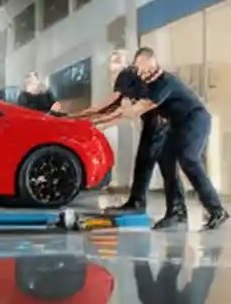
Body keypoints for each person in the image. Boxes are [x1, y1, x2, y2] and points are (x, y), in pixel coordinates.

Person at [70, 51, 187, 230]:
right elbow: (116, 108)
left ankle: (177, 211)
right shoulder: (124, 80)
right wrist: (84, 120)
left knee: (167, 165)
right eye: (112, 62)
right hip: (151, 120)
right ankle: (137, 202)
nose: (114, 66)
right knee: (143, 161)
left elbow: (117, 109)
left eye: (118, 62)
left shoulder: (128, 76)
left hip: (165, 120)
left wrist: (85, 121)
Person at [129, 47, 229, 230]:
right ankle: (176, 212)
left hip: (196, 119)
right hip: (177, 124)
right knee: (165, 158)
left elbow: (139, 108)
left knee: (188, 157)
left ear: (154, 65)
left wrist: (106, 119)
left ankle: (217, 210)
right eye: (140, 70)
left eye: (146, 69)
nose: (144, 73)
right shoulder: (147, 85)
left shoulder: (165, 82)